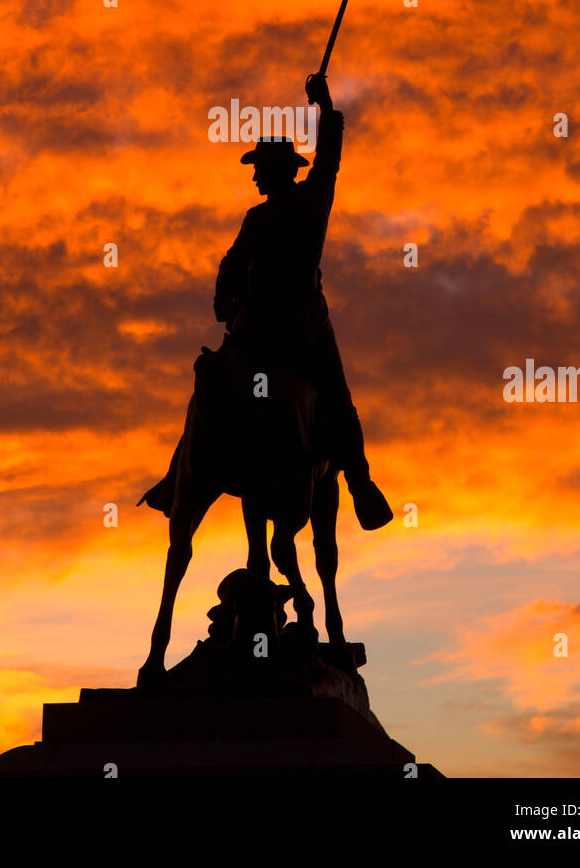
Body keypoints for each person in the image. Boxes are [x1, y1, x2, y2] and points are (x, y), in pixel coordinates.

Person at [139, 72, 393, 530]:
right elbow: (233, 262)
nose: (254, 174)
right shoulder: (277, 211)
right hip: (282, 327)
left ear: (276, 172)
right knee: (323, 399)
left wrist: (226, 306)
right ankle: (361, 485)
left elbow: (231, 265)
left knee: (316, 395)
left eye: (259, 167)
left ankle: (356, 483)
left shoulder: (298, 205)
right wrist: (325, 106)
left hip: (282, 329)